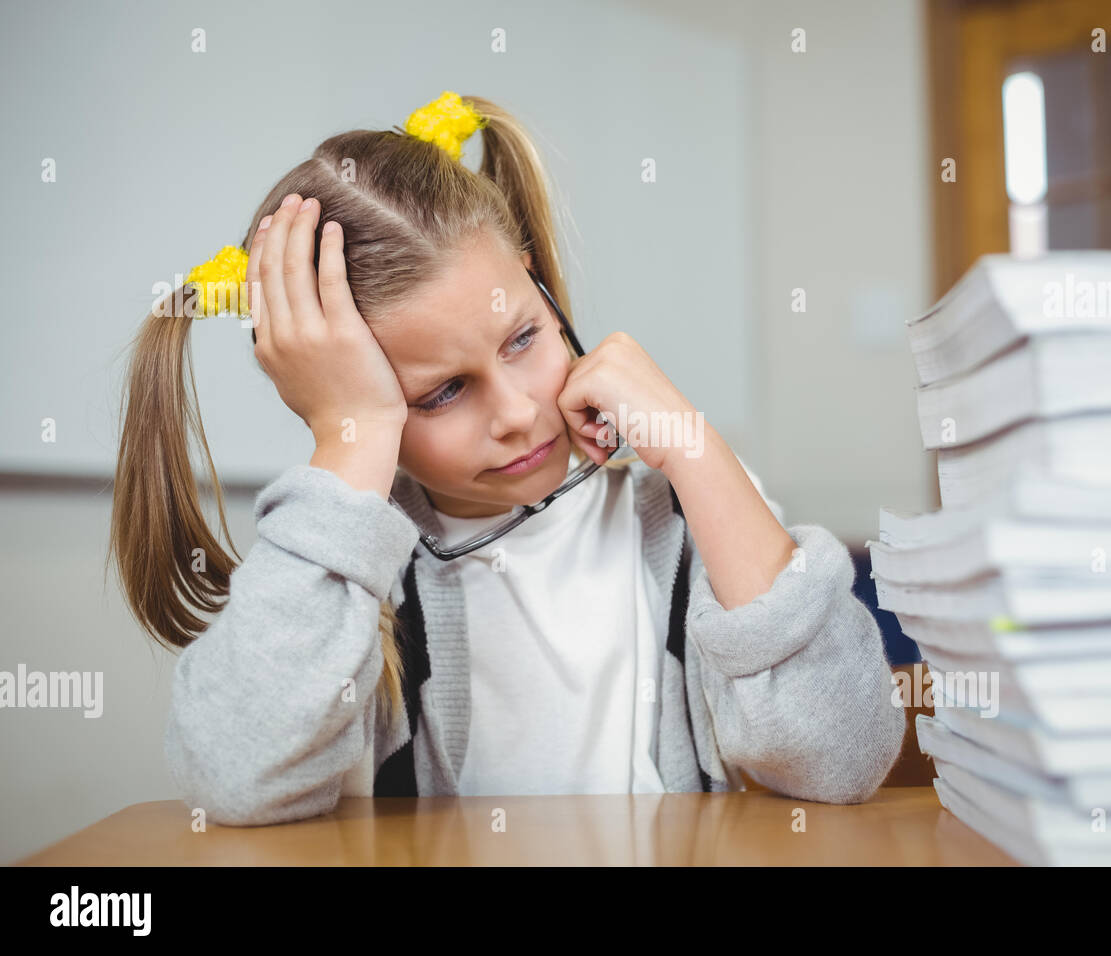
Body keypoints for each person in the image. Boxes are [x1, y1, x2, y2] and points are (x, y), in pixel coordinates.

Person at [108, 91, 905, 826]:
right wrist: (347, 441)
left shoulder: (688, 520)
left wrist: (699, 452)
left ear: (541, 288)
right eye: (445, 392)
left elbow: (846, 757)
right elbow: (235, 778)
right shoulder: (343, 581)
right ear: (362, 408)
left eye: (524, 337)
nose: (519, 413)